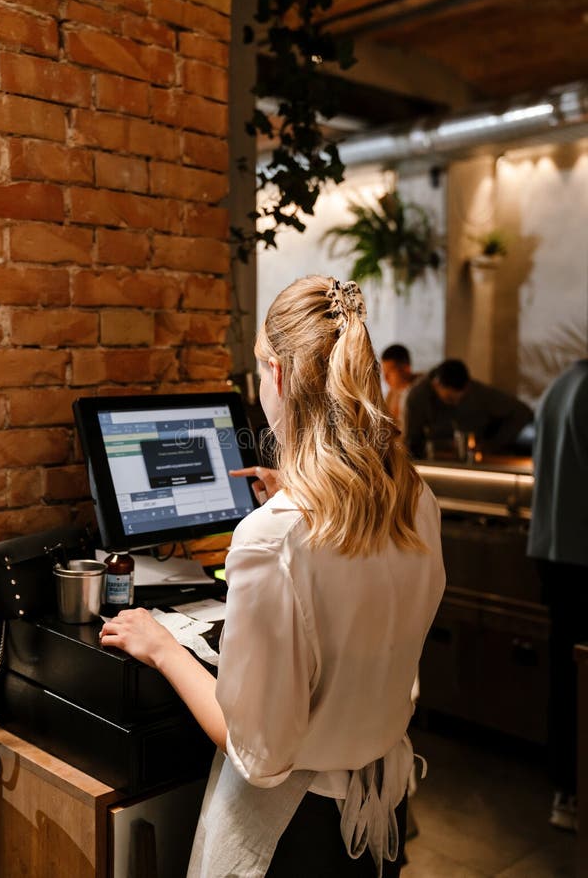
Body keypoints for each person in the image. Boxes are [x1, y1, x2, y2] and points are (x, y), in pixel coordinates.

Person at [100, 275, 446, 877]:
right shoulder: (416, 501)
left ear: (279, 376)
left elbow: (255, 754)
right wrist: (301, 498)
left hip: (297, 837)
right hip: (378, 812)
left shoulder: (271, 537)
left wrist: (161, 648)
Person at [527, 359, 588, 833]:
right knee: (578, 679)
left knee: (565, 676)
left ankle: (564, 787)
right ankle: (572, 790)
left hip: (552, 550)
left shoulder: (559, 384)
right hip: (580, 556)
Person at [405, 358, 533, 459]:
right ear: (436, 384)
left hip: (478, 460)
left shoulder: (477, 392)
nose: (456, 403)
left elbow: (522, 412)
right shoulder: (418, 396)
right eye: (450, 399)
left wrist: (493, 444)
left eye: (461, 399)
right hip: (435, 461)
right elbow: (412, 441)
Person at [380, 344, 419, 432]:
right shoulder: (392, 393)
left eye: (389, 372)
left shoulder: (420, 392)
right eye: (384, 372)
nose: (385, 378)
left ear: (406, 369)